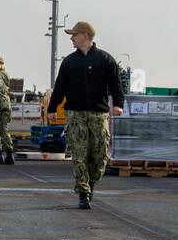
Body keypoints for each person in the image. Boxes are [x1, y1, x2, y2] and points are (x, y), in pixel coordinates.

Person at [45, 21, 124, 210]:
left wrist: (119, 104)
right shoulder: (69, 62)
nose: (71, 38)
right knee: (79, 155)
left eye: (74, 35)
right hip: (76, 114)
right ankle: (83, 192)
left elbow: (115, 84)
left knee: (99, 156)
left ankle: (91, 182)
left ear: (85, 36)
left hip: (99, 114)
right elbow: (60, 86)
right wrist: (52, 108)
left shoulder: (105, 59)